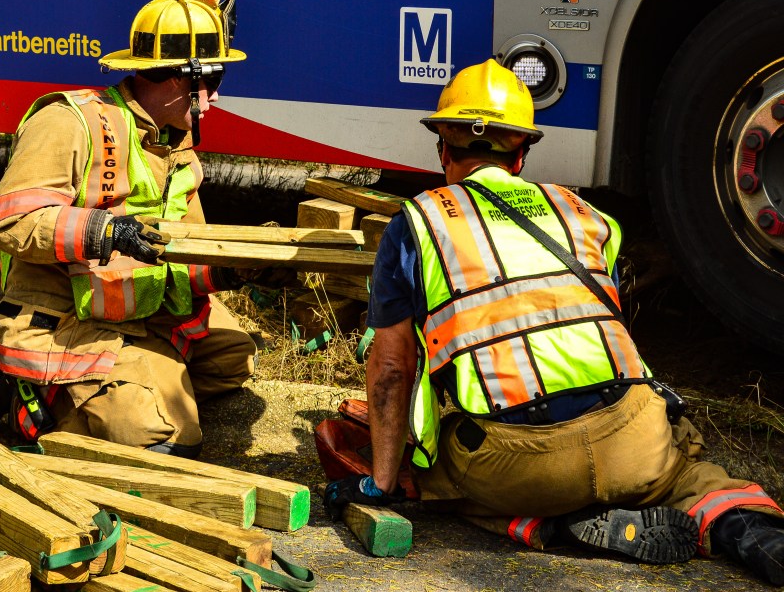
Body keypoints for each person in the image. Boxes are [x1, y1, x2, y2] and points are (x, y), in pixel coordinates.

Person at [323, 59, 784, 585]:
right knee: (688, 469)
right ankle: (749, 528)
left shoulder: (418, 224)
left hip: (519, 462)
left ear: (444, 150)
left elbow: (391, 367)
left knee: (438, 475)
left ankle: (560, 527)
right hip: (631, 438)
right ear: (520, 154)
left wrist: (380, 485)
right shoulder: (583, 213)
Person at [0, 0, 288, 458]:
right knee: (165, 440)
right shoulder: (70, 121)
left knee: (234, 358)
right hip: (66, 317)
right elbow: (12, 220)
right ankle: (37, 401)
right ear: (179, 78)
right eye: (213, 77)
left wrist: (239, 270)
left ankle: (130, 379)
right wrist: (106, 231)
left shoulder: (176, 147)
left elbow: (184, 252)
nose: (218, 93)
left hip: (143, 311)